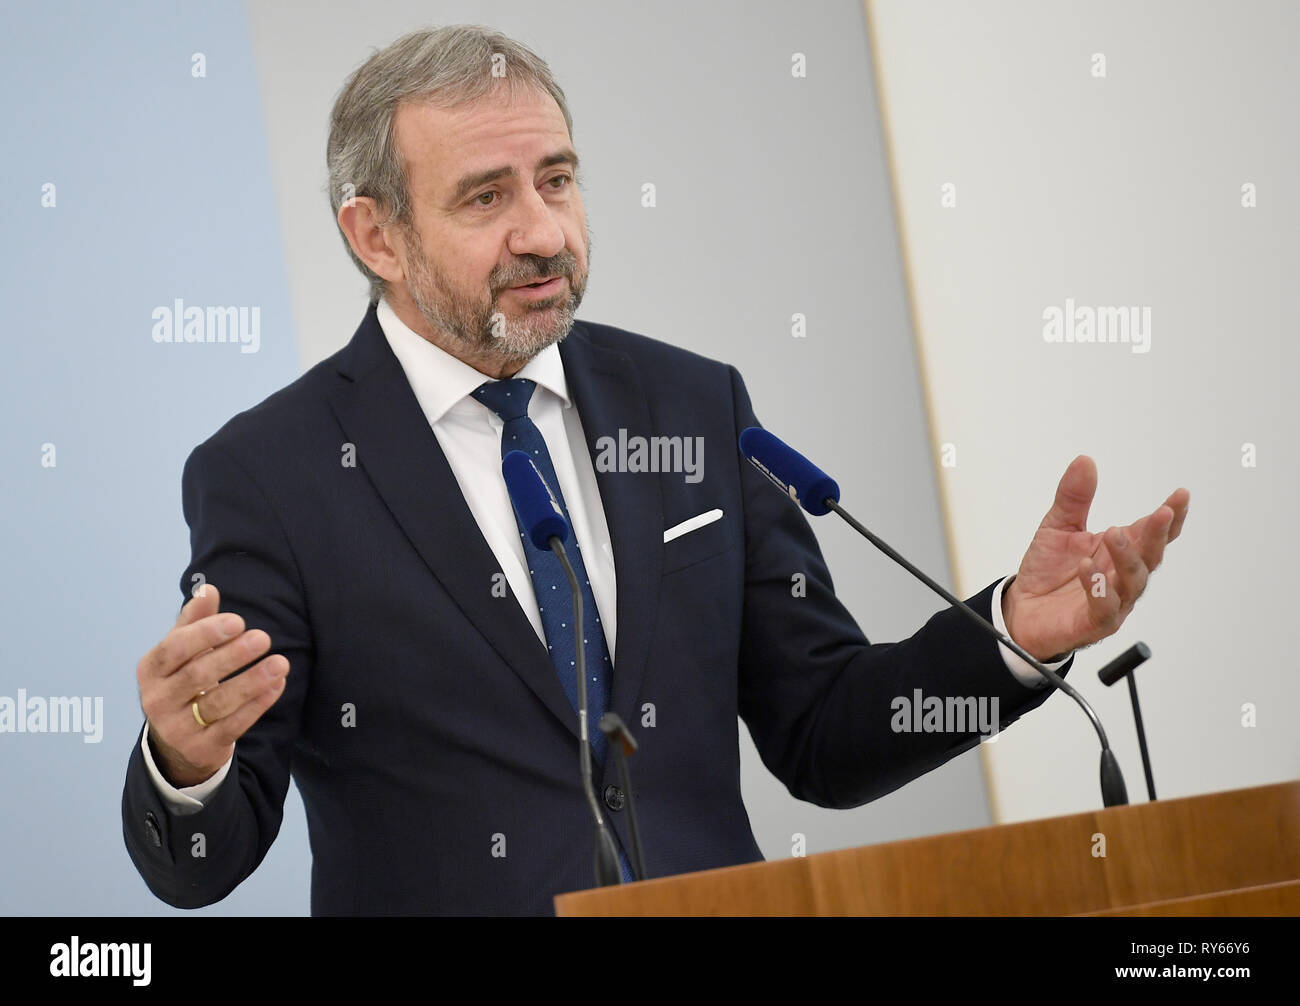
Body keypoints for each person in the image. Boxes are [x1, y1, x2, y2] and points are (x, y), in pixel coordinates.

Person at [121, 24, 1189, 915]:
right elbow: (205, 857)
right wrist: (187, 760)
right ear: (376, 235)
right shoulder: (272, 474)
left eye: (558, 178)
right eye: (485, 198)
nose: (544, 231)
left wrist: (1007, 636)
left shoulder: (689, 405)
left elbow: (821, 732)